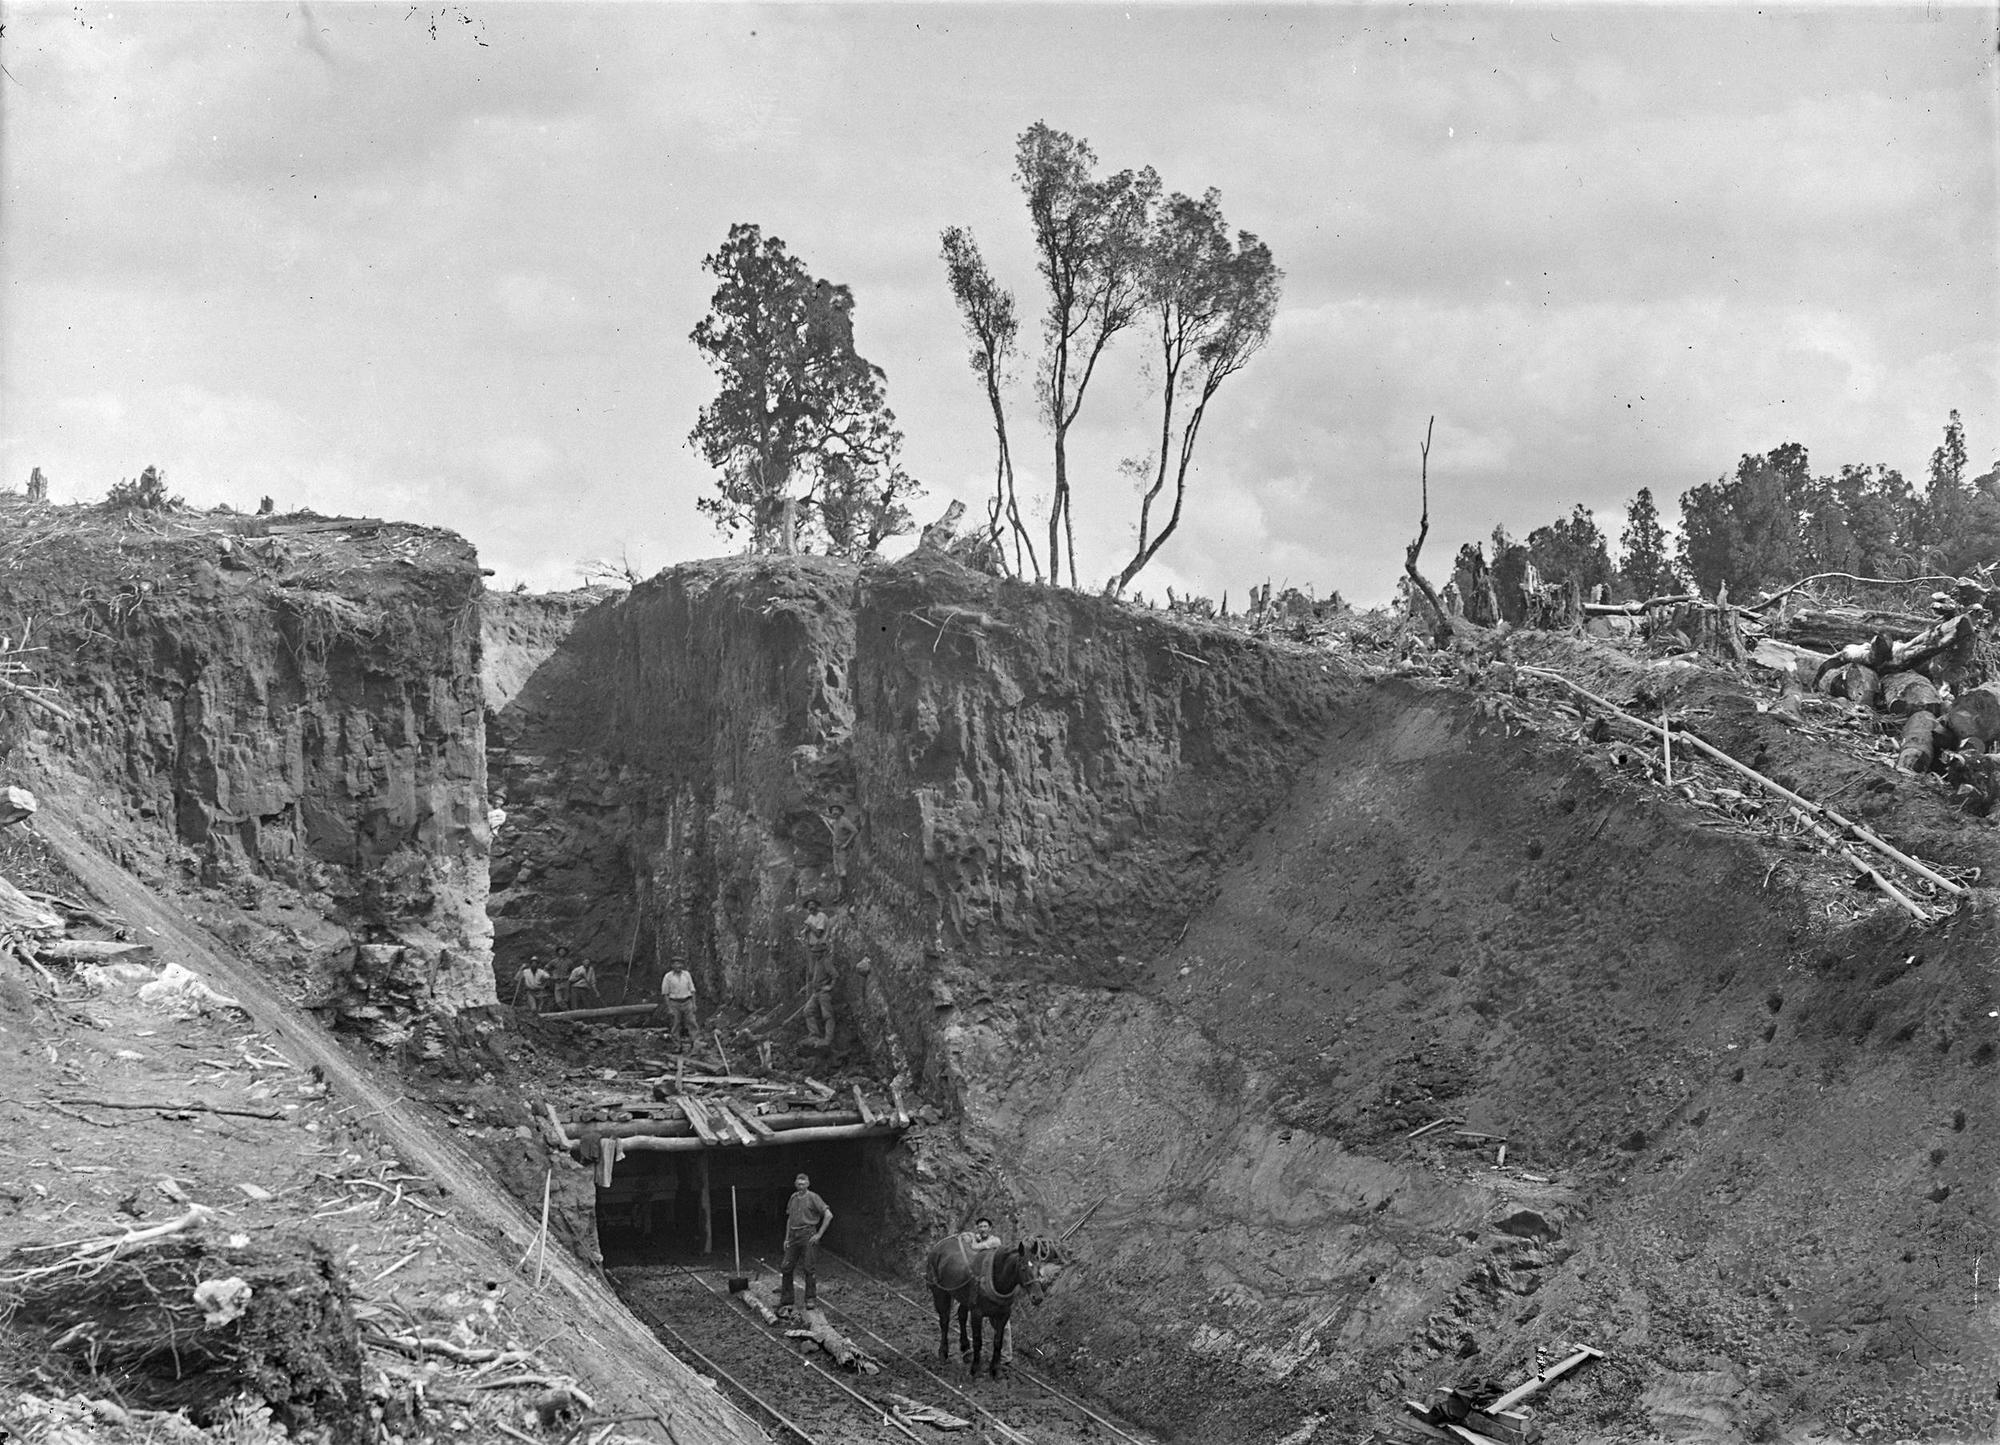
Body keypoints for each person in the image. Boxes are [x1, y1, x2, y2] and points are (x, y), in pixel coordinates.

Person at [778, 1172, 833, 1309]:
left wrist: (819, 1234)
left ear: (808, 1184)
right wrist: (786, 1238)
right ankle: (787, 1299)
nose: (801, 1186)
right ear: (795, 1184)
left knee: (809, 1267)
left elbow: (828, 1215)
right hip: (794, 1235)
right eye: (798, 1183)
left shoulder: (813, 1197)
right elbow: (789, 1219)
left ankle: (810, 1298)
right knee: (786, 1266)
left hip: (808, 1233)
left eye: (803, 1183)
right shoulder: (793, 1198)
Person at [804, 950, 839, 1046]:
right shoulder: (817, 962)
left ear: (822, 952)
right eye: (814, 952)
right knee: (808, 1010)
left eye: (817, 952)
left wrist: (830, 987)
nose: (815, 954)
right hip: (816, 993)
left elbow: (835, 975)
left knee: (827, 1016)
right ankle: (814, 1035)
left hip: (824, 993)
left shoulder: (826, 961)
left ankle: (827, 1040)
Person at [659, 961, 697, 1048]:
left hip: (687, 1001)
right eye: (676, 964)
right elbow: (665, 993)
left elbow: (692, 989)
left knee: (692, 1022)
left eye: (680, 964)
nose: (678, 966)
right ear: (672, 965)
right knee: (675, 1024)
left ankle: (694, 1044)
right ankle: (677, 1045)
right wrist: (669, 1008)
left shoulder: (686, 975)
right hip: (674, 1003)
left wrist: (694, 1004)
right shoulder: (668, 976)